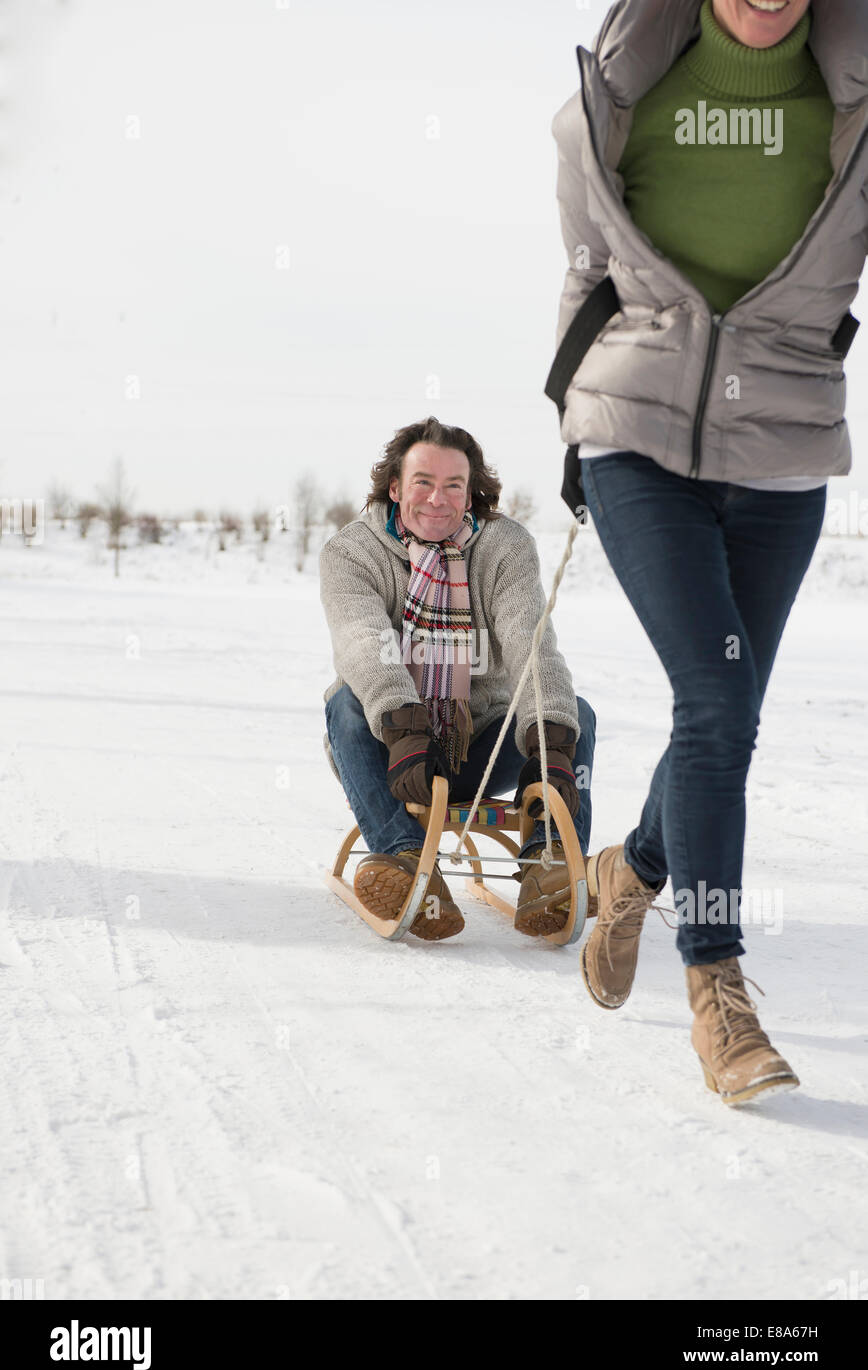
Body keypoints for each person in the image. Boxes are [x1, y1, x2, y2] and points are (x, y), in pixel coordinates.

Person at [550, 0, 867, 1102]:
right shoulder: (620, 95)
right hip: (635, 434)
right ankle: (715, 985)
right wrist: (567, 411)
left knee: (717, 715)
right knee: (719, 708)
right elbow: (586, 271)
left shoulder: (854, 101)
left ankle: (630, 869)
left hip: (778, 447)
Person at [319, 416, 596, 940]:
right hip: (389, 753)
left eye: (454, 485)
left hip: (481, 747)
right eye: (423, 482)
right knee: (344, 703)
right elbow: (363, 642)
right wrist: (404, 726)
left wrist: (550, 740)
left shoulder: (504, 547)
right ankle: (403, 862)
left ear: (471, 494)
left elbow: (529, 642)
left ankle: (550, 866)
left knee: (573, 711)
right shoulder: (352, 553)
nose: (437, 499)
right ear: (396, 487)